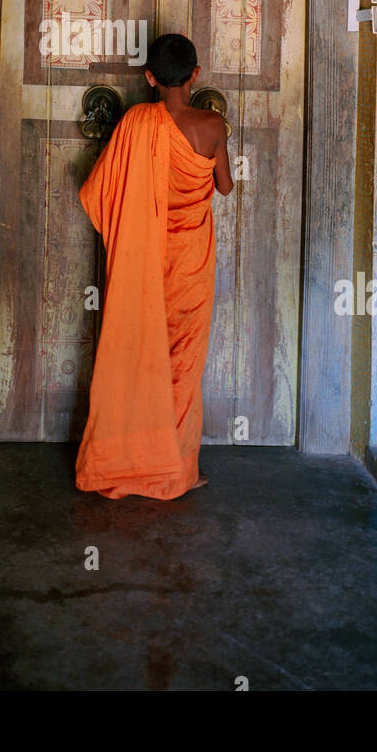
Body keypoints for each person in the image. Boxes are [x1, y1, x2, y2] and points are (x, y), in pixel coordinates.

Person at [75, 33, 233, 500]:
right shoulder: (212, 124)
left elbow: (96, 195)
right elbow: (224, 187)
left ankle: (123, 464)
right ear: (196, 75)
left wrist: (135, 227)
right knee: (182, 361)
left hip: (140, 260)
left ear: (149, 77)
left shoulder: (135, 121)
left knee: (136, 353)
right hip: (191, 261)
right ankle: (178, 471)